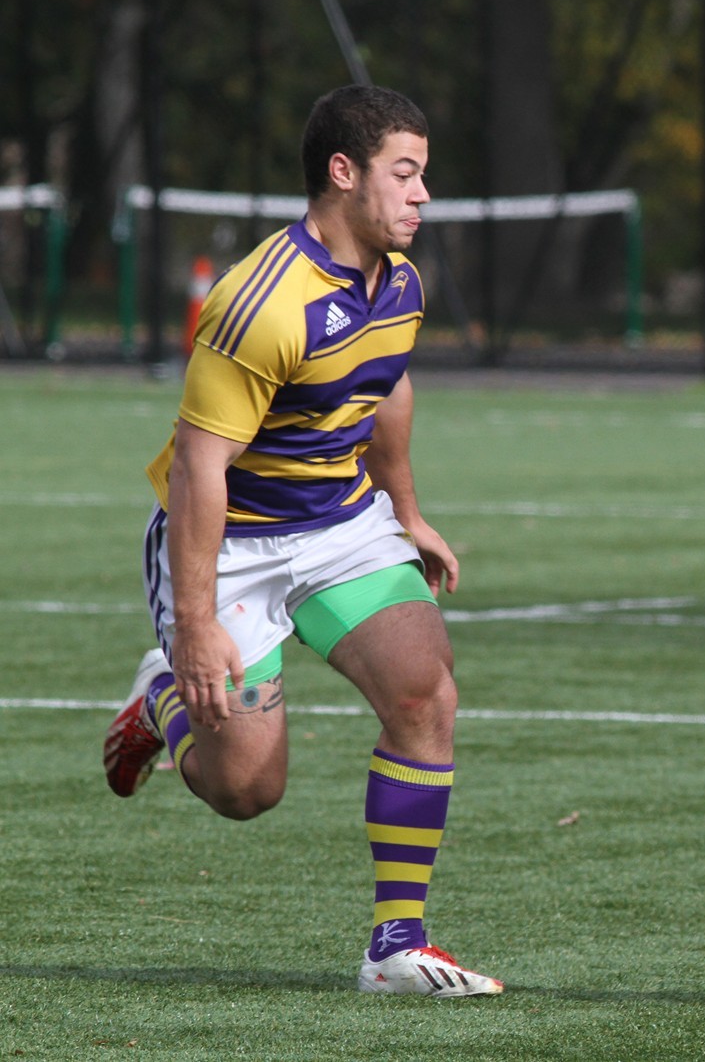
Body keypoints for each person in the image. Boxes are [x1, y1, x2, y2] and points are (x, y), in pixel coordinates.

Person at [102, 84, 501, 998]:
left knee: (426, 691)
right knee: (247, 789)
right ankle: (161, 696)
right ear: (342, 172)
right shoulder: (262, 300)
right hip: (230, 544)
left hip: (340, 525)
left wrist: (404, 511)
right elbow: (202, 468)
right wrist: (196, 623)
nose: (422, 194)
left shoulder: (400, 279)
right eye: (405, 174)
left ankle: (396, 945)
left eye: (424, 176)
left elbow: (385, 387)